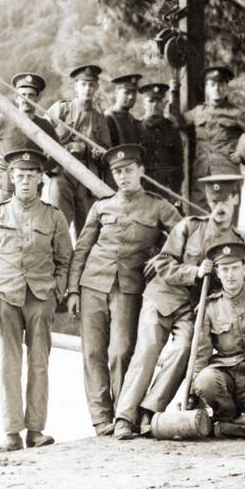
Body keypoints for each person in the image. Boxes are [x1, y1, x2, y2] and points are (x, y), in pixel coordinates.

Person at [113, 175, 245, 438]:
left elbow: (243, 286)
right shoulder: (189, 227)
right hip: (162, 296)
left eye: (224, 201)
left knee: (184, 349)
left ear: (235, 199)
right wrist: (195, 272)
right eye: (213, 201)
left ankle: (149, 412)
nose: (218, 207)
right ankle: (123, 417)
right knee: (149, 347)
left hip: (192, 310)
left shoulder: (237, 244)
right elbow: (163, 264)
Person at [67, 144, 181, 438]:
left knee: (121, 351)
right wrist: (72, 291)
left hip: (129, 288)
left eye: (128, 171)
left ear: (141, 171)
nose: (123, 177)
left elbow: (185, 235)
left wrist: (164, 257)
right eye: (117, 172)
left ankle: (122, 413)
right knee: (92, 353)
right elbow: (81, 250)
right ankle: (100, 419)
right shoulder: (101, 206)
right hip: (92, 284)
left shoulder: (158, 206)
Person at [0, 149, 72, 452]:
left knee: (40, 364)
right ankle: (11, 432)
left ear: (41, 179)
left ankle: (35, 430)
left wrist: (57, 291)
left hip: (41, 298)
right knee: (8, 365)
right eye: (20, 176)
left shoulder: (54, 216)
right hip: (6, 298)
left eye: (31, 175)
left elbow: (65, 260)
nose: (26, 181)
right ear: (12, 179)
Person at [189, 241, 245, 438]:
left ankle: (222, 427)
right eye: (224, 269)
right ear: (217, 273)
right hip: (224, 374)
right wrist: (193, 390)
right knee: (205, 381)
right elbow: (201, 352)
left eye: (234, 268)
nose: (230, 275)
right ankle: (227, 413)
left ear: (244, 269)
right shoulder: (208, 307)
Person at [174, 65, 245, 215]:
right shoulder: (198, 112)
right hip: (201, 176)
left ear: (226, 89)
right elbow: (177, 122)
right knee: (199, 220)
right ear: (206, 88)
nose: (217, 88)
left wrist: (243, 155)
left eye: (221, 84)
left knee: (226, 221)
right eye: (212, 85)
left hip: (227, 176)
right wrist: (174, 92)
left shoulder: (236, 113)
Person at [47, 64, 114, 237]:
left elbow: (107, 151)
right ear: (76, 86)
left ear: (97, 87)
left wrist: (99, 154)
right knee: (57, 226)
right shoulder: (61, 109)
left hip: (88, 180)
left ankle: (81, 265)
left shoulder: (100, 118)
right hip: (63, 176)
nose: (88, 89)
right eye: (83, 84)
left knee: (86, 231)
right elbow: (41, 135)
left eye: (92, 85)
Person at [0, 72, 60, 206]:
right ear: (16, 98)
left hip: (32, 184)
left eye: (31, 95)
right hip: (5, 182)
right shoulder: (2, 120)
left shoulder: (45, 126)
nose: (26, 99)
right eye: (22, 95)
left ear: (38, 98)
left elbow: (59, 155)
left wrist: (40, 168)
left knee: (31, 222)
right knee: (1, 220)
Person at [136, 81, 186, 205]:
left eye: (158, 101)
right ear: (144, 103)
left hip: (166, 189)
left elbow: (178, 164)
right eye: (151, 101)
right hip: (143, 189)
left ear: (164, 103)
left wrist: (175, 191)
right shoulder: (136, 128)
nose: (155, 105)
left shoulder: (171, 129)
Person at [105, 72, 144, 149]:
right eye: (126, 92)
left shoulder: (132, 120)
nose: (131, 97)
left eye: (134, 92)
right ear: (116, 93)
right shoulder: (107, 119)